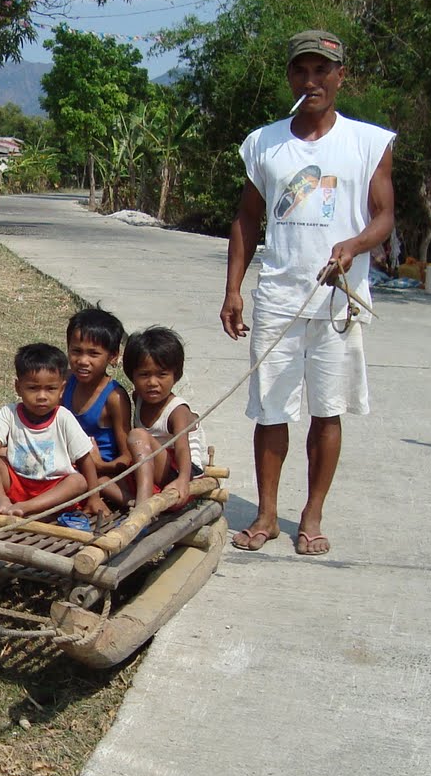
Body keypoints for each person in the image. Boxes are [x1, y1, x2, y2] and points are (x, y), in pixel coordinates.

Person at [220, 29, 396, 557]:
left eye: (323, 71)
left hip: (338, 299)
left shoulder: (368, 142)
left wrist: (355, 244)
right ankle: (268, 515)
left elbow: (385, 216)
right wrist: (234, 289)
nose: (312, 81)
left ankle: (312, 515)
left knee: (327, 409)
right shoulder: (264, 143)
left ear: (341, 76)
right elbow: (247, 220)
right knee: (270, 409)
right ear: (290, 76)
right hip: (278, 295)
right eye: (302, 70)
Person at [0, 343, 94, 519]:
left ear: (62, 389)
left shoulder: (63, 417)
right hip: (17, 483)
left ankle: (26, 507)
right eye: (33, 388)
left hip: (53, 488)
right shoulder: (10, 412)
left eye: (50, 389)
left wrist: (94, 498)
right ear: (18, 387)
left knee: (78, 481)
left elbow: (85, 459)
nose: (42, 396)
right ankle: (2, 500)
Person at [123, 326, 207, 510]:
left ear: (175, 375)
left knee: (138, 435)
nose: (153, 383)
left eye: (162, 375)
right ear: (132, 376)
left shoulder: (177, 410)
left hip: (182, 470)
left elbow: (182, 448)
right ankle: (131, 501)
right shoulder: (138, 398)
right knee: (103, 480)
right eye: (144, 375)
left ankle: (142, 506)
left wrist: (183, 480)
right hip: (153, 466)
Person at [61, 306, 135, 510]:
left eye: (93, 354)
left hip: (102, 474)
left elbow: (128, 457)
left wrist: (100, 465)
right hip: (67, 465)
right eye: (76, 351)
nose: (83, 361)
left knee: (98, 483)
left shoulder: (114, 397)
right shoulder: (65, 382)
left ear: (112, 357)